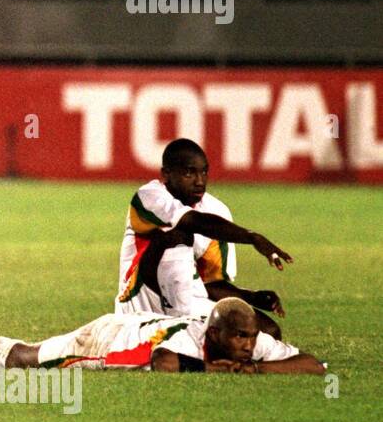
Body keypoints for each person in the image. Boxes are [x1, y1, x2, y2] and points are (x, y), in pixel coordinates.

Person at [117, 138, 288, 336]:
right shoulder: (149, 197)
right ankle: (182, 332)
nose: (199, 181)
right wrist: (252, 237)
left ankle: (194, 344)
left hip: (190, 303)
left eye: (204, 172)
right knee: (178, 234)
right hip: (140, 309)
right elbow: (192, 221)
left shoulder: (218, 212)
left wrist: (250, 297)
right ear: (167, 174)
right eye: (189, 173)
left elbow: (210, 284)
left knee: (267, 331)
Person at [0, 298, 324, 375]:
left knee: (27, 358)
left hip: (138, 326)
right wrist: (215, 369)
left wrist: (259, 370)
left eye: (250, 339)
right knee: (26, 358)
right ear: (215, 332)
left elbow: (312, 364)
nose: (247, 346)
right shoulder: (193, 339)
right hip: (108, 340)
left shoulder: (248, 338)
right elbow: (164, 365)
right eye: (240, 340)